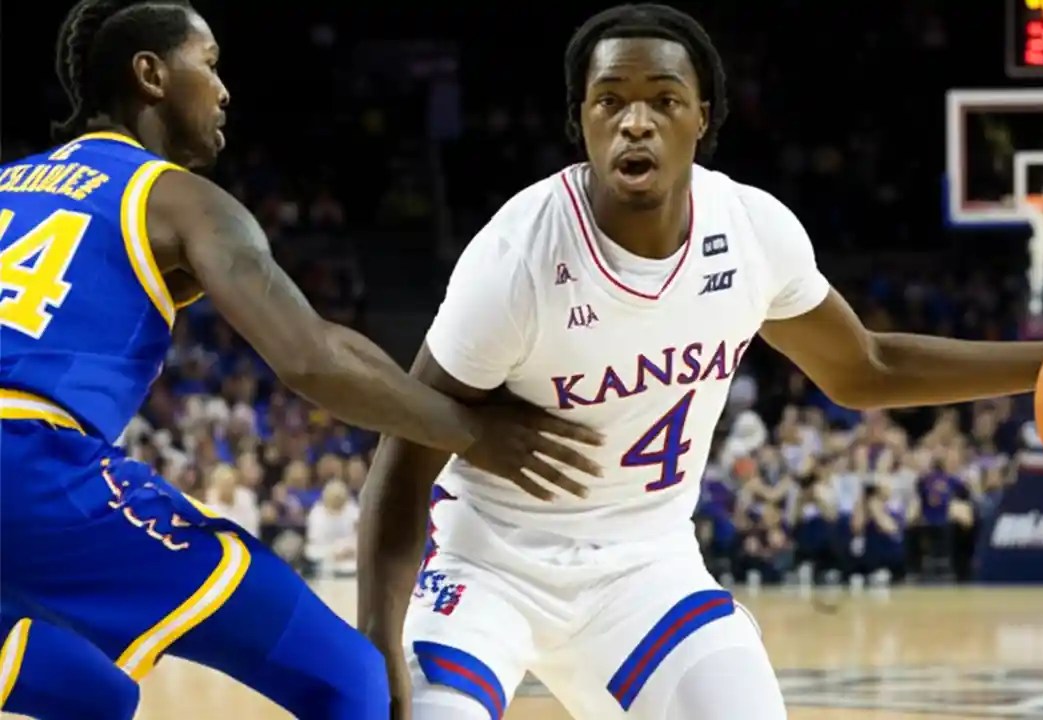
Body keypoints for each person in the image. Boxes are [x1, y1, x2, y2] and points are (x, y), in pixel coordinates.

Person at [357, 4, 1043, 719]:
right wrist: (377, 645)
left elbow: (866, 367)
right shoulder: (517, 257)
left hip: (643, 568)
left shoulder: (753, 232)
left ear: (703, 117)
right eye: (610, 101)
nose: (636, 121)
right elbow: (403, 454)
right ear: (582, 123)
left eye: (663, 101)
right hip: (487, 567)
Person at [0, 1, 601, 718]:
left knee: (87, 696)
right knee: (348, 678)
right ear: (150, 75)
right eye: (210, 62)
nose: (224, 90)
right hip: (29, 463)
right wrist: (472, 430)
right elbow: (313, 358)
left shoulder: (11, 182)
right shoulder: (178, 199)